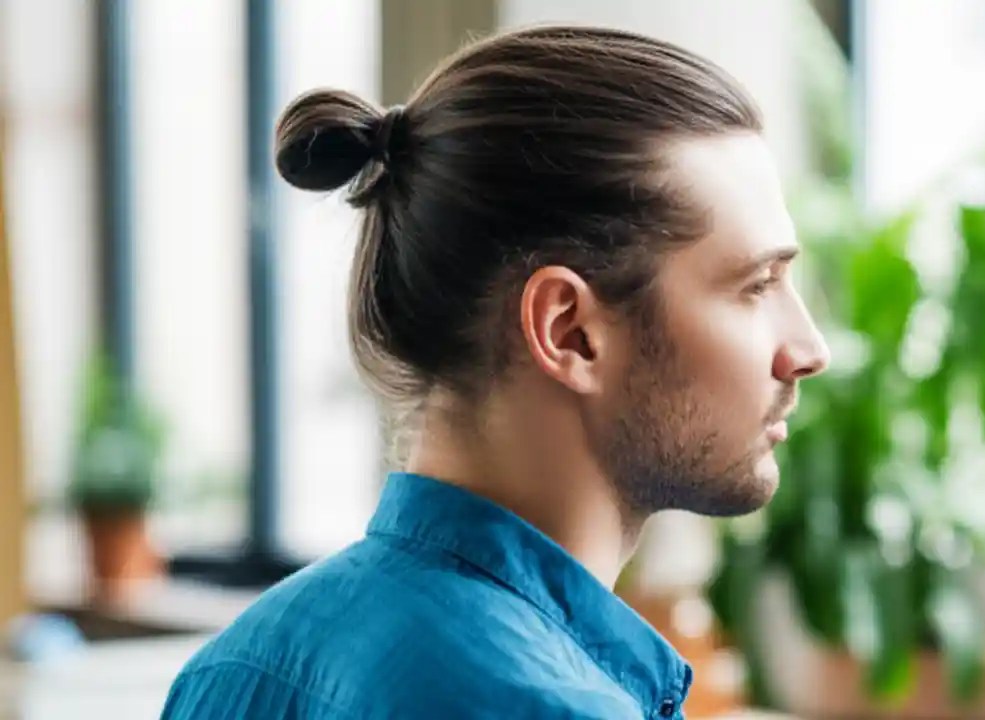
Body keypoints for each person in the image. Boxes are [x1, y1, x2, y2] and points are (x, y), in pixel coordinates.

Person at [162, 24, 828, 720]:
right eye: (756, 285)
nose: (809, 347)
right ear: (567, 330)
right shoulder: (555, 708)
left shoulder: (233, 669)